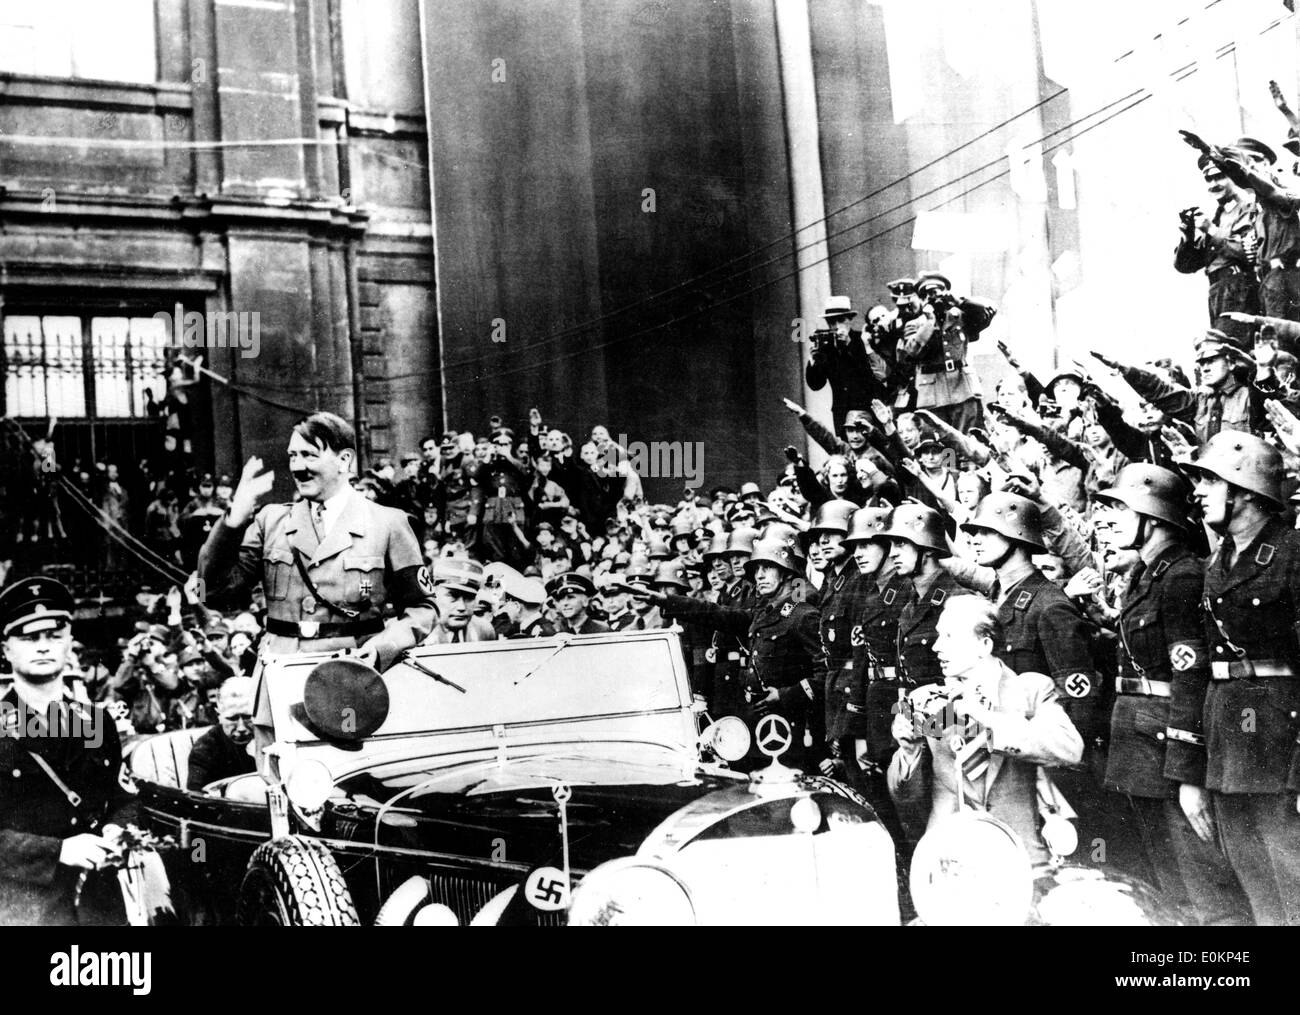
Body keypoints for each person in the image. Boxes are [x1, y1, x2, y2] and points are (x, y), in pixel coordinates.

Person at [1093, 464, 1251, 925]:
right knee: (1168, 885)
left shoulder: (1181, 576)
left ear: (1155, 515)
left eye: (1121, 508)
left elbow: (1190, 675)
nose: (1110, 518)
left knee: (1204, 889)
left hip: (1165, 746)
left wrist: (1187, 772)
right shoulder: (1145, 576)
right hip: (1138, 744)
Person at [197, 411, 436, 672]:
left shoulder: (387, 523)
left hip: (353, 672)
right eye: (293, 456)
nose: (297, 467)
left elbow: (423, 608)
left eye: (309, 455)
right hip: (280, 672)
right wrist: (232, 523)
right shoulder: (271, 522)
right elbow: (210, 592)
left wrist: (382, 648)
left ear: (344, 460)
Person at [1181, 431, 1300, 925]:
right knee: (1255, 884)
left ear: (1245, 490)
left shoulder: (1292, 553)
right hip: (1230, 740)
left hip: (1280, 743)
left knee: (1291, 878)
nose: (1199, 491)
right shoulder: (1217, 562)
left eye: (1209, 480)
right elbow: (1204, 667)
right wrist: (1193, 768)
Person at [888, 596, 1083, 864]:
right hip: (951, 858)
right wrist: (908, 752)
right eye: (937, 636)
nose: (936, 647)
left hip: (1022, 854)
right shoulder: (926, 702)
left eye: (948, 636)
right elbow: (906, 798)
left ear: (985, 644)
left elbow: (1070, 749)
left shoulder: (1032, 691)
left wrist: (984, 717)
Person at [0, 577, 140, 925]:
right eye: (30, 638)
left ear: (70, 645)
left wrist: (115, 830)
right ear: (6, 650)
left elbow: (123, 799)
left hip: (99, 901)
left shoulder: (94, 723)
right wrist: (58, 851)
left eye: (54, 637)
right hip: (22, 907)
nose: (44, 647)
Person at [884, 503, 973, 690]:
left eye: (900, 543)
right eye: (890, 545)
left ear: (929, 548)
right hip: (913, 713)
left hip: (948, 714)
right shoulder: (910, 602)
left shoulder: (958, 601)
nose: (892, 553)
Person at [1174, 153, 1260, 322]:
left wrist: (1211, 230)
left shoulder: (1248, 206)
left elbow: (1250, 253)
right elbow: (1184, 266)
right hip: (1218, 294)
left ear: (1233, 177)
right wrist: (1188, 237)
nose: (1213, 184)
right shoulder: (1219, 214)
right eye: (1208, 179)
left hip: (1242, 291)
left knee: (1231, 345)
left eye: (1219, 177)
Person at [804, 296, 886, 432]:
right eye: (831, 322)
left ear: (850, 320)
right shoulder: (826, 348)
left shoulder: (863, 341)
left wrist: (849, 344)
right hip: (842, 415)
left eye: (841, 320)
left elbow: (872, 376)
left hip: (868, 411)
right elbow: (816, 384)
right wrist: (813, 361)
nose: (836, 326)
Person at [186, 677, 258, 791]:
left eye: (247, 717)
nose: (241, 728)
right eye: (232, 718)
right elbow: (196, 796)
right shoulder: (204, 749)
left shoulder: (272, 737)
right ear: (219, 714)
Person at [422, 558, 497, 644]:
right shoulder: (418, 634)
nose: (461, 607)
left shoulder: (484, 631)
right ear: (434, 594)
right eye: (453, 596)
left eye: (469, 597)